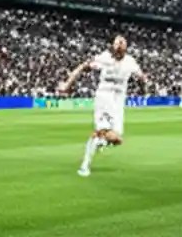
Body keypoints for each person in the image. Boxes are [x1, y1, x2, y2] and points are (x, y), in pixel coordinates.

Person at [58, 35, 149, 177]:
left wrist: (144, 91)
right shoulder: (104, 58)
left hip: (118, 102)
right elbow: (83, 67)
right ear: (112, 47)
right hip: (104, 98)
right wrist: (67, 84)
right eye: (116, 45)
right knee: (102, 132)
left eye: (121, 45)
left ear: (125, 48)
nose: (118, 48)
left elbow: (142, 78)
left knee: (117, 139)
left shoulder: (130, 62)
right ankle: (84, 165)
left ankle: (99, 142)